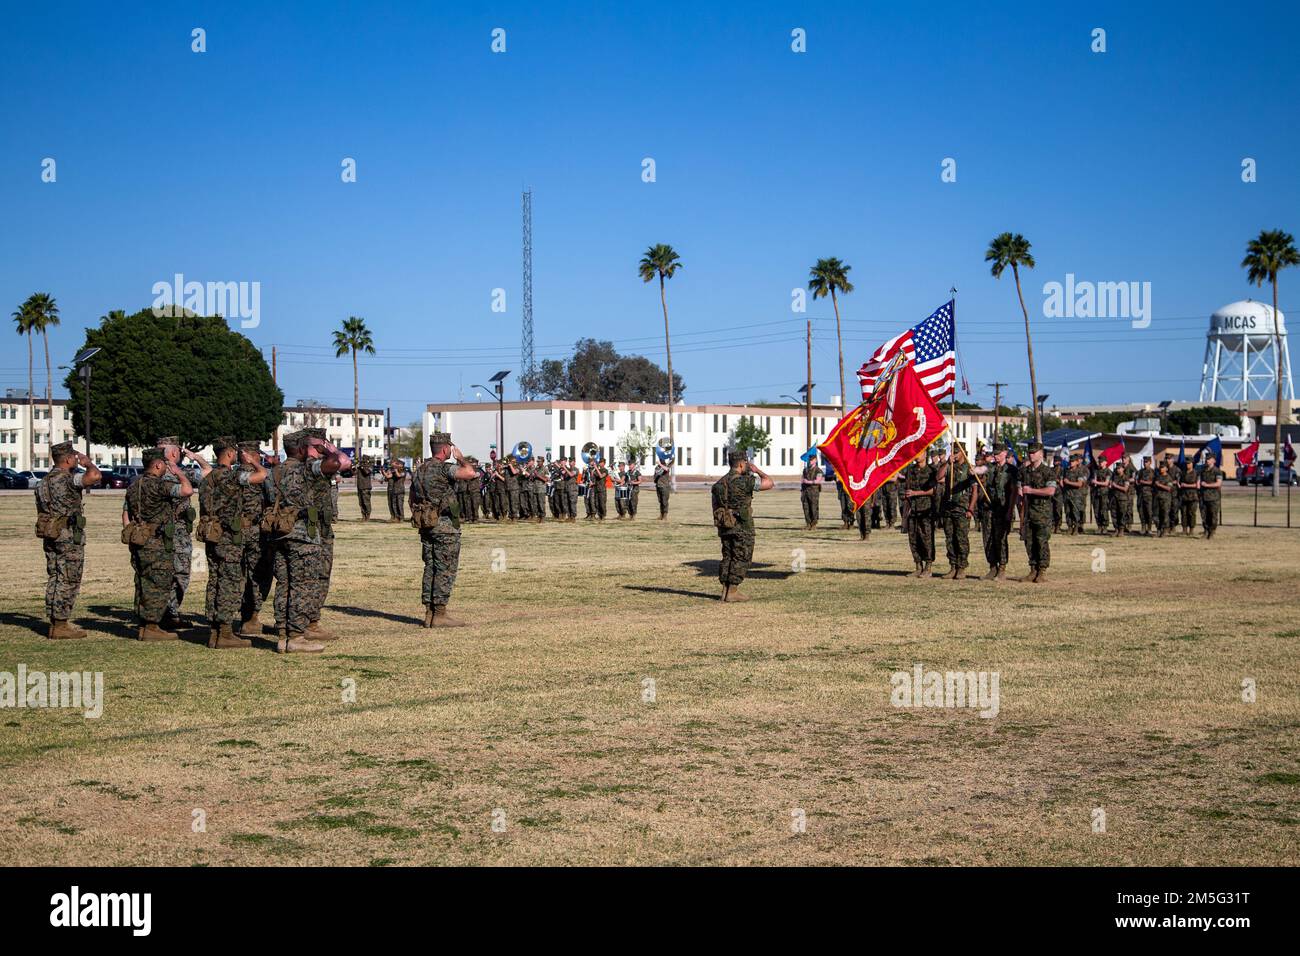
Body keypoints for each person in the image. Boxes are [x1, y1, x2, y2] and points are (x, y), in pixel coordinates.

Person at [266, 430, 349, 653]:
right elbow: (338, 462)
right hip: (302, 533)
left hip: (278, 533)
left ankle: (283, 636)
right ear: (303, 449)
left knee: (285, 585)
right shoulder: (305, 469)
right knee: (303, 585)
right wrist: (327, 448)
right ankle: (296, 637)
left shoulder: (273, 472)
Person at [197, 437, 267, 648]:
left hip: (212, 534)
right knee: (230, 581)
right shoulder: (232, 476)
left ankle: (214, 631)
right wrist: (252, 461)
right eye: (235, 453)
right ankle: (225, 632)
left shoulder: (208, 478)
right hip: (229, 536)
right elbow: (262, 475)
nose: (237, 456)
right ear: (229, 454)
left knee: (215, 581)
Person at [123, 447, 193, 640]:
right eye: (164, 464)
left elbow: (126, 514)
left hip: (139, 539)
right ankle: (153, 627)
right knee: (159, 583)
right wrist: (179, 472)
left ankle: (144, 625)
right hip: (156, 542)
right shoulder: (158, 485)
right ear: (157, 464)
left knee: (142, 582)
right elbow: (187, 490)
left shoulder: (133, 486)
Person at [410, 431, 478, 627]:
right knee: (445, 568)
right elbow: (470, 473)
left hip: (426, 523)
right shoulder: (443, 468)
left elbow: (413, 498)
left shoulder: (420, 469)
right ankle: (440, 613)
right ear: (446, 449)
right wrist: (461, 458)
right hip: (445, 525)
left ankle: (429, 613)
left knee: (430, 567)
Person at [34, 442, 99, 639]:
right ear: (69, 459)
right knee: (69, 576)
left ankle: (55, 621)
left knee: (55, 575)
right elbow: (95, 476)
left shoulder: (42, 482)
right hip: (68, 534)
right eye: (74, 458)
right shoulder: (68, 479)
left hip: (50, 532)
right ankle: (61, 624)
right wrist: (88, 463)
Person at [712, 451, 774, 601]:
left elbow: (715, 506)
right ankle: (733, 591)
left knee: (728, 556)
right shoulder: (745, 481)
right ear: (741, 464)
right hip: (742, 525)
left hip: (725, 525)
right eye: (745, 463)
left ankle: (725, 590)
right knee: (742, 557)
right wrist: (757, 470)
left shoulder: (719, 484)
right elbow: (769, 483)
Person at [238, 441, 274, 637]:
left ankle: (239, 617)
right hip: (255, 532)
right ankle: (251, 619)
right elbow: (271, 494)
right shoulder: (258, 475)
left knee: (237, 575)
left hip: (234, 532)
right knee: (259, 574)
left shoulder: (230, 474)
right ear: (252, 456)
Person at [936, 445, 985, 579]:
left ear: (963, 453)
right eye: (952, 452)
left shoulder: (969, 469)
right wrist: (947, 462)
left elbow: (975, 491)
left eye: (956, 452)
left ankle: (962, 567)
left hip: (962, 508)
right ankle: (953, 566)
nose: (954, 454)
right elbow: (938, 477)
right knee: (950, 539)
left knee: (961, 538)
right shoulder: (949, 467)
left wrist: (971, 508)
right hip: (948, 508)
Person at [1018, 441, 1057, 582]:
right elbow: (1019, 488)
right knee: (1029, 541)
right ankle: (1033, 569)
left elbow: (1051, 491)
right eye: (1029, 452)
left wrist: (1032, 490)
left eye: (1034, 452)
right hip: (1028, 511)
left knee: (1041, 541)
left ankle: (1042, 570)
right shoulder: (1025, 471)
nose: (1031, 455)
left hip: (1042, 512)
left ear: (1041, 454)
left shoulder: (1048, 472)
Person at [982, 442, 1018, 580]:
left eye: (998, 454)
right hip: (989, 508)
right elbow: (981, 470)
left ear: (1004, 453)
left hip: (1003, 508)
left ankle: (1002, 568)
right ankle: (992, 567)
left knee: (1000, 539)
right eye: (994, 454)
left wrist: (1010, 510)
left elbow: (1014, 491)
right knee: (988, 538)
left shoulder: (1011, 470)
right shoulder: (990, 468)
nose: (996, 456)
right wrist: (974, 469)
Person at [903, 455, 938, 577]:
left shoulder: (931, 470)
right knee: (913, 538)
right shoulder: (910, 470)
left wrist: (916, 493)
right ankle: (918, 566)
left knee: (926, 538)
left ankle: (928, 567)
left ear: (925, 454)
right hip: (912, 509)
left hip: (926, 509)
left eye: (920, 452)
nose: (917, 455)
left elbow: (935, 490)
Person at [1062, 451, 1088, 534]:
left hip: (1076, 495)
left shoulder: (1080, 472)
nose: (1071, 462)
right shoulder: (1067, 471)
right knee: (1068, 511)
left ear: (1077, 462)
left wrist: (1068, 482)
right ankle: (1069, 527)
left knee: (1075, 511)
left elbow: (1079, 484)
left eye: (1073, 461)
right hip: (1067, 494)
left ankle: (1076, 527)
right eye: (1070, 461)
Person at [1199, 453, 1223, 539]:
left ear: (1213, 460)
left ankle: (1212, 532)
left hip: (1213, 497)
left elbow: (1218, 484)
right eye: (1206, 459)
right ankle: (1206, 531)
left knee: (1213, 515)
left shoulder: (1217, 471)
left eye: (1209, 459)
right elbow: (1200, 482)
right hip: (1203, 496)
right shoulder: (1203, 470)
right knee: (1204, 515)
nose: (1207, 460)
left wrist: (1206, 485)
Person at [1108, 458, 1133, 536]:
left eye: (1119, 468)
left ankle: (1121, 530)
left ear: (1123, 469)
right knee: (1114, 514)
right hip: (1114, 498)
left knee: (1122, 514)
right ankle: (1116, 529)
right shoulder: (1114, 477)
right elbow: (1110, 484)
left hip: (1122, 499)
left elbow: (1125, 489)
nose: (1118, 470)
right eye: (1117, 468)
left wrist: (1115, 486)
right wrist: (1110, 486)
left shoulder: (1125, 478)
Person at [1153, 460, 1176, 537]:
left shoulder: (1169, 478)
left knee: (1165, 515)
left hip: (1165, 499)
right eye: (1160, 467)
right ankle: (1158, 530)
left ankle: (1164, 530)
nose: (1161, 469)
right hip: (1157, 498)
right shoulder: (1158, 477)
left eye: (1163, 467)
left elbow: (1169, 488)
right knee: (1156, 515)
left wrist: (1159, 485)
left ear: (1166, 468)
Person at [800, 456, 823, 529]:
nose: (810, 461)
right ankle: (808, 523)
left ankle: (814, 524)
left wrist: (808, 482)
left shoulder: (818, 470)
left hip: (813, 492)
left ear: (815, 460)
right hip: (805, 491)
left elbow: (818, 481)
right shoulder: (805, 470)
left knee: (813, 508)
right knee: (806, 508)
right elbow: (802, 479)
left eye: (811, 460)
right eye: (809, 460)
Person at [1178, 459, 1200, 534]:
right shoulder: (1183, 473)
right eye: (1187, 463)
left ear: (1192, 464)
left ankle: (1191, 529)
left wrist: (1186, 485)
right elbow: (1180, 483)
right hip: (1184, 496)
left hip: (1193, 496)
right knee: (1183, 513)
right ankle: (1184, 529)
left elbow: (1197, 485)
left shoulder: (1196, 473)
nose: (1188, 465)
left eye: (1189, 463)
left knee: (1191, 513)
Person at [1089, 460, 1111, 534]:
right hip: (1096, 493)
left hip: (1104, 494)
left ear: (1105, 462)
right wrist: (1092, 482)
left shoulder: (1108, 471)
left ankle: (1104, 527)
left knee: (1104, 510)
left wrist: (1096, 482)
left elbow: (1106, 483)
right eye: (1099, 462)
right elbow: (1093, 481)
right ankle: (1099, 526)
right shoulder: (1096, 471)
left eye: (1101, 462)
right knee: (1096, 510)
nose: (1100, 463)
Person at [1136, 457, 1156, 535]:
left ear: (1150, 462)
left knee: (1149, 512)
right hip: (1141, 494)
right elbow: (1137, 481)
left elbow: (1153, 483)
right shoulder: (1140, 472)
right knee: (1141, 511)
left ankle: (1149, 528)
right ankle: (1143, 527)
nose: (1145, 463)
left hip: (1149, 495)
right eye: (1144, 462)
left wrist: (1143, 482)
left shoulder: (1153, 472)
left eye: (1147, 462)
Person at [355, 456, 374, 520]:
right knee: (361, 502)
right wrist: (353, 467)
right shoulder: (360, 467)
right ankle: (363, 515)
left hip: (366, 486)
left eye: (364, 460)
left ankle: (368, 515)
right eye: (362, 459)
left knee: (366, 502)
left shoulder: (370, 466)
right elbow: (354, 473)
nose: (363, 461)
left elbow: (367, 472)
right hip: (360, 486)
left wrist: (362, 467)